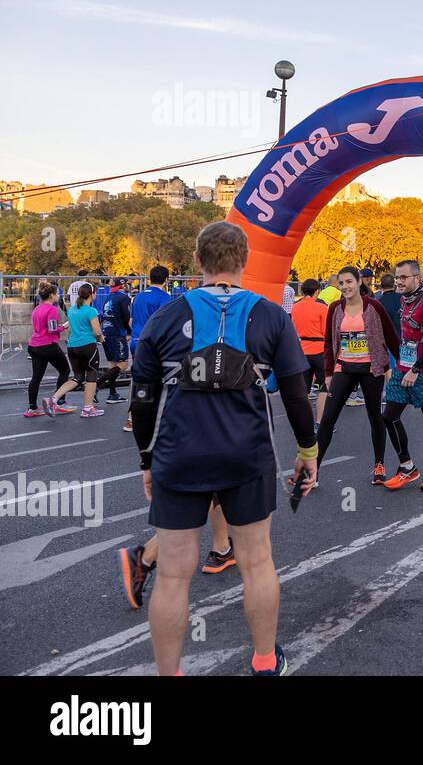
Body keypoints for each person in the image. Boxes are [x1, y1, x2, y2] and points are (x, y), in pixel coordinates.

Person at [127, 220, 317, 674]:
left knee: (173, 575)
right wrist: (308, 452)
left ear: (197, 262)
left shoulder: (166, 315)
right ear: (245, 262)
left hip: (179, 454)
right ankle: (265, 662)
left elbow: (142, 398)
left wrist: (147, 461)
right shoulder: (271, 314)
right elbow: (296, 392)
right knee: (257, 562)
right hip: (247, 455)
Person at [318, 266, 401, 484]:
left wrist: (403, 364)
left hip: (370, 369)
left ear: (358, 283)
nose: (345, 286)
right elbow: (328, 343)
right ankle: (312, 470)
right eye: (341, 283)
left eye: (349, 282)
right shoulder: (335, 308)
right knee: (327, 418)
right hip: (343, 368)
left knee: (375, 416)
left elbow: (391, 336)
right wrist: (328, 372)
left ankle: (379, 466)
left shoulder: (374, 306)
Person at [379, 260, 423, 492]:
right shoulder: (403, 299)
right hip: (402, 367)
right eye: (397, 277)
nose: (399, 281)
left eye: (403, 278)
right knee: (388, 416)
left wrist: (416, 369)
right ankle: (407, 467)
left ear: (417, 279)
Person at [123, 266, 173, 433]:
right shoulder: (165, 297)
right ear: (166, 279)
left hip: (137, 341)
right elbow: (166, 323)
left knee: (137, 379)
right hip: (154, 343)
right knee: (160, 380)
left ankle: (131, 418)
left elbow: (131, 321)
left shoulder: (138, 297)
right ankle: (158, 418)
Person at [43, 283, 104, 418]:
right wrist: (101, 338)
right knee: (92, 376)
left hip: (72, 347)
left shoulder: (72, 310)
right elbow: (96, 331)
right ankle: (88, 408)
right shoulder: (91, 311)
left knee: (77, 377)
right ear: (92, 294)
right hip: (88, 346)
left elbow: (70, 330)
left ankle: (53, 399)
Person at [25, 283, 73, 418]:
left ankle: (32, 408)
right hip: (47, 345)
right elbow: (52, 330)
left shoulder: (37, 308)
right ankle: (60, 402)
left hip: (34, 345)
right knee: (65, 371)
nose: (59, 295)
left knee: (36, 377)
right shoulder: (52, 309)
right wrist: (64, 326)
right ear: (51, 295)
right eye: (58, 293)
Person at [290, 278, 330, 425]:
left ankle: (305, 422)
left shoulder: (295, 307)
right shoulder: (321, 307)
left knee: (304, 389)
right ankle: (320, 421)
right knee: (324, 387)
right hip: (319, 350)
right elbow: (326, 331)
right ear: (317, 291)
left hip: (302, 351)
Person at [98, 277, 133, 405]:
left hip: (107, 331)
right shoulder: (124, 298)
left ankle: (112, 393)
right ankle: (97, 384)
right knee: (123, 364)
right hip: (117, 332)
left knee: (113, 364)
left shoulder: (109, 296)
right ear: (122, 286)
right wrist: (129, 332)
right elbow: (126, 316)